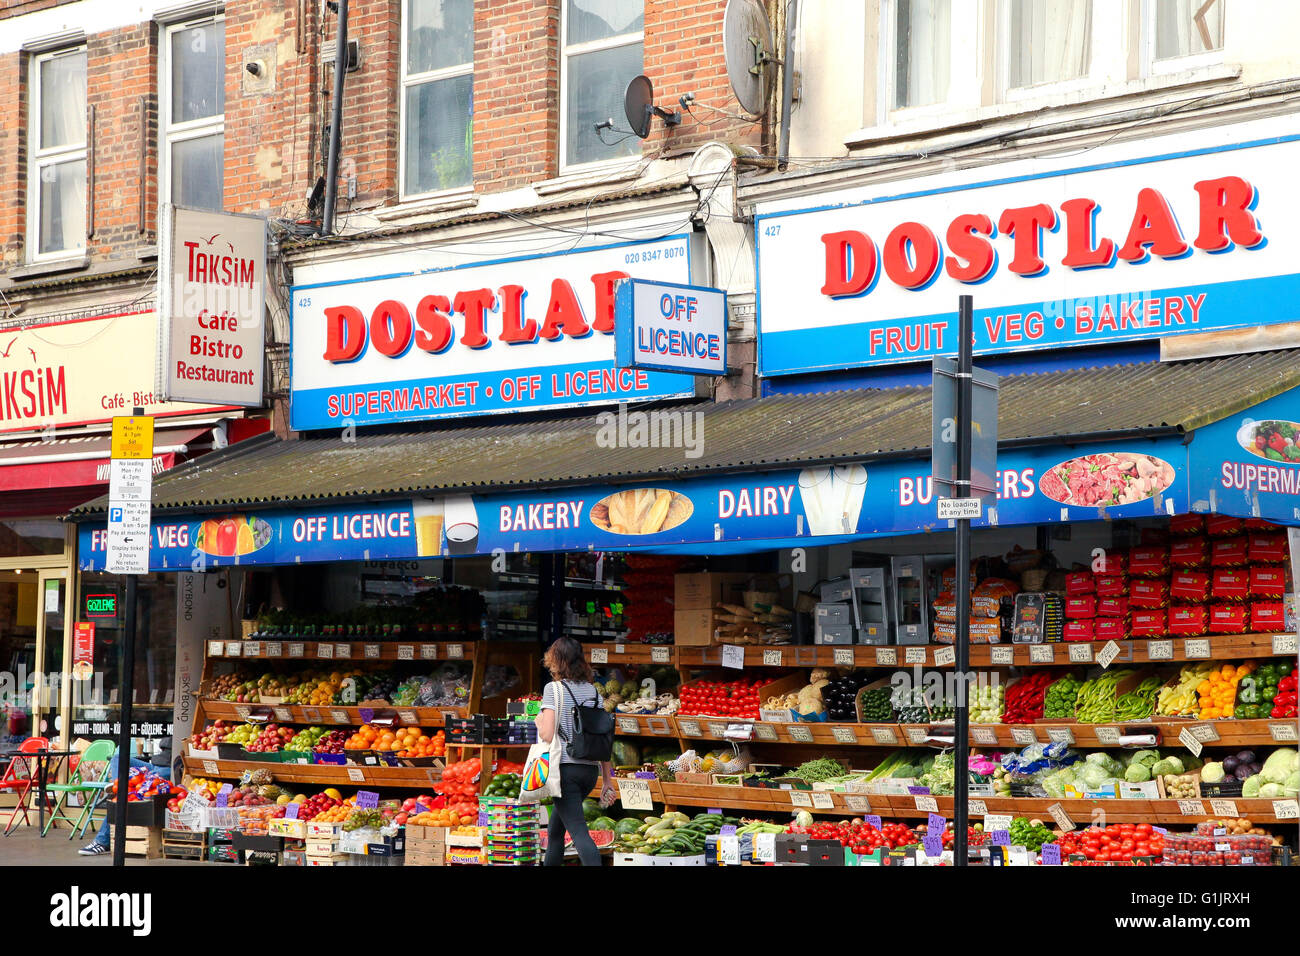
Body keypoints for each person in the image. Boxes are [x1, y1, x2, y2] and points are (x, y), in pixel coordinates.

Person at [537, 637, 615, 866]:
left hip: (565, 772)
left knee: (580, 834)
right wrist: (607, 780)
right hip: (589, 772)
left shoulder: (553, 689)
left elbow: (548, 734)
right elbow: (604, 738)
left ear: (556, 661)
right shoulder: (593, 692)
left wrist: (539, 721)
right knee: (555, 831)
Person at [78, 744, 171, 856]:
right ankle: (118, 786)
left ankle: (102, 842)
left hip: (168, 769)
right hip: (154, 765)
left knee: (122, 798)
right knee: (118, 757)